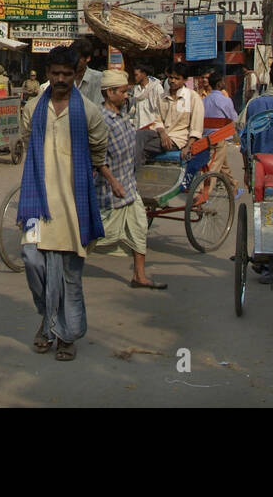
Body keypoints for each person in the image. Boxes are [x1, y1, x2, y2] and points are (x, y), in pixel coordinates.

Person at [18, 45, 109, 361]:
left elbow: (99, 150)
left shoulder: (89, 112)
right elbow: (28, 142)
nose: (60, 79)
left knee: (69, 277)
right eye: (55, 73)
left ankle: (65, 335)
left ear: (76, 74)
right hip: (37, 203)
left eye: (66, 74)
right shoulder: (32, 109)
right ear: (47, 74)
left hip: (73, 206)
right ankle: (49, 319)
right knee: (31, 260)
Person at [95, 69, 164, 289]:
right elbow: (96, 157)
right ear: (109, 92)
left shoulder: (123, 114)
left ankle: (139, 275)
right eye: (123, 92)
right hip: (110, 191)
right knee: (94, 237)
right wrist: (112, 181)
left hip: (129, 187)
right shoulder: (100, 120)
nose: (126, 95)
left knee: (139, 227)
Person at [138, 64, 205, 162]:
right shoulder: (161, 97)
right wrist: (163, 133)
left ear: (185, 80)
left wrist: (189, 147)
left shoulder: (192, 97)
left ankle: (133, 173)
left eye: (177, 78)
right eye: (170, 77)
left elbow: (196, 127)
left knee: (143, 147)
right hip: (161, 134)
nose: (173, 81)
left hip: (178, 139)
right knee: (138, 135)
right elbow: (157, 120)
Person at [128, 65, 165, 130]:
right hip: (138, 127)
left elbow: (162, 109)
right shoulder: (136, 89)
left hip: (153, 128)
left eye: (136, 75)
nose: (134, 77)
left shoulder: (157, 87)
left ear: (144, 74)